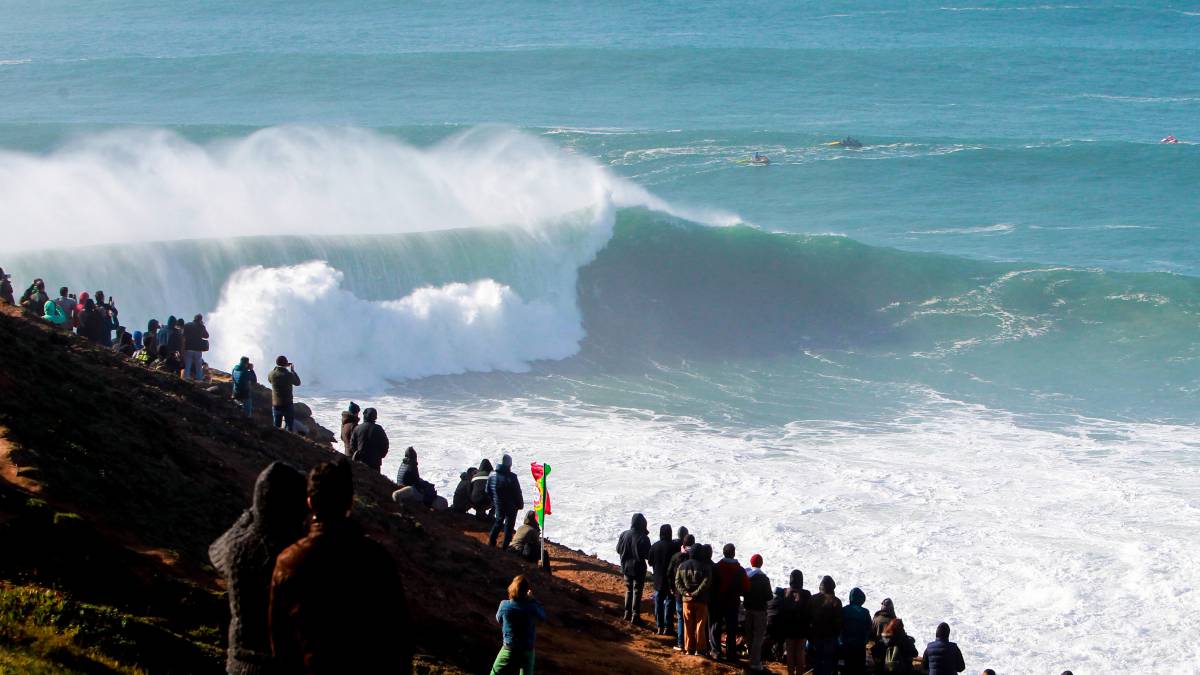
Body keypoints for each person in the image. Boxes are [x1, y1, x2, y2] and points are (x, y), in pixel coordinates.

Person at [269, 459, 412, 674]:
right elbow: (398, 634)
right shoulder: (375, 557)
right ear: (349, 502)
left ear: (309, 502)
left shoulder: (289, 561)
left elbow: (280, 640)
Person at [209, 462, 307, 675]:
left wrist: (251, 515)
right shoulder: (294, 555)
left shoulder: (236, 548)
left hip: (238, 663)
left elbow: (215, 551)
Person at [491, 575, 546, 675]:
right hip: (527, 650)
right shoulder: (532, 607)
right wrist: (533, 600)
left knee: (495, 673)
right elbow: (542, 616)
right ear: (526, 591)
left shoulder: (504, 605)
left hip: (509, 649)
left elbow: (499, 619)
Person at [710, 543, 748, 660]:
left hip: (718, 601)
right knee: (731, 628)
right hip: (733, 603)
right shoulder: (740, 570)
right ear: (734, 554)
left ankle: (716, 652)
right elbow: (746, 588)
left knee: (716, 625)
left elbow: (711, 585)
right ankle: (731, 654)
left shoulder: (716, 567)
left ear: (724, 553)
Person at [675, 543, 713, 655]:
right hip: (701, 600)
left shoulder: (682, 565)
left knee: (688, 625)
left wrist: (685, 593)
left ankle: (689, 649)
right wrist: (696, 593)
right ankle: (700, 650)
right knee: (700, 626)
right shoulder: (705, 566)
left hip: (686, 600)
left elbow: (677, 581)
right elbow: (706, 582)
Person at [615, 513, 652, 626]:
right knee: (637, 591)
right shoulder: (644, 538)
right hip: (638, 568)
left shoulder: (624, 534)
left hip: (626, 566)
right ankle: (635, 615)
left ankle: (627, 613)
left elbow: (618, 549)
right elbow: (647, 555)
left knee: (629, 590)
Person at [775, 570, 812, 675]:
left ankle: (790, 673)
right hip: (802, 628)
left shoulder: (785, 592)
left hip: (788, 627)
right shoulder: (806, 593)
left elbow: (781, 610)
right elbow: (809, 611)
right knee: (800, 653)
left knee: (790, 652)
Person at [486, 454, 524, 549]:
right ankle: (505, 547)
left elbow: (487, 490)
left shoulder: (492, 474)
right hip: (511, 506)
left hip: (498, 504)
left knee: (498, 521)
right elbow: (517, 493)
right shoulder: (512, 477)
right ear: (509, 464)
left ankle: (491, 541)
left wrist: (495, 500)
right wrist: (520, 505)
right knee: (509, 526)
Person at [743, 554, 773, 672]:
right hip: (760, 611)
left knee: (750, 635)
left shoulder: (747, 577)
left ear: (751, 563)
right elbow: (769, 596)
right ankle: (755, 663)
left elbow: (743, 592)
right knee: (758, 637)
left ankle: (751, 658)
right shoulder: (764, 578)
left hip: (747, 609)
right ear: (761, 564)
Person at [809, 575, 843, 675]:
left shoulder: (812, 599)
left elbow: (808, 617)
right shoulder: (836, 601)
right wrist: (836, 635)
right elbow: (839, 622)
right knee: (828, 664)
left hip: (816, 636)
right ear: (832, 587)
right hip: (830, 637)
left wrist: (810, 635)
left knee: (817, 662)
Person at [667, 534, 695, 651]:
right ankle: (693, 645)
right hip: (693, 594)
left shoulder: (676, 557)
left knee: (681, 618)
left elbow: (669, 573)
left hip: (679, 593)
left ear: (682, 544)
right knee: (692, 619)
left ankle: (681, 644)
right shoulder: (695, 558)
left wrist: (672, 588)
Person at [648, 523, 676, 636]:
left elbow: (649, 562)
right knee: (669, 602)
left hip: (658, 580)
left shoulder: (655, 546)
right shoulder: (674, 547)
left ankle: (659, 626)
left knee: (659, 602)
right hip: (670, 581)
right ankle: (668, 627)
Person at [841, 587, 872, 675]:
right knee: (859, 668)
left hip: (846, 645)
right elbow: (869, 628)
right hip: (860, 646)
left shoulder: (844, 610)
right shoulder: (865, 612)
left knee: (848, 667)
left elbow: (839, 627)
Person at [267, 356, 301, 432]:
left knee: (276, 427)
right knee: (289, 426)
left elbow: (270, 380)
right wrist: (292, 370)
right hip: (287, 404)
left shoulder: (271, 374)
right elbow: (298, 383)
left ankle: (276, 441)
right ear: (286, 363)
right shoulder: (289, 375)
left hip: (276, 404)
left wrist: (277, 368)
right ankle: (288, 442)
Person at [871, 598, 897, 673]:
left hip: (877, 652)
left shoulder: (876, 619)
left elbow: (871, 635)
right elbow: (900, 638)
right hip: (890, 655)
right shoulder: (894, 621)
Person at [182, 314, 210, 381]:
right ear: (200, 319)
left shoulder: (187, 325)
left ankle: (186, 379)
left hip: (188, 348)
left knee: (187, 366)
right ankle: (199, 380)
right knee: (198, 366)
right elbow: (206, 336)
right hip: (198, 349)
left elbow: (183, 335)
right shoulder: (201, 326)